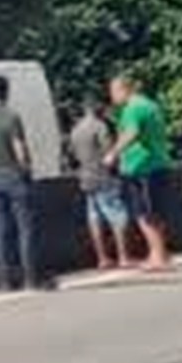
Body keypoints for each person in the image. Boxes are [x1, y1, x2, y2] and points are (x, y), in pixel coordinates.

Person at [0, 75, 44, 291]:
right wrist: (26, 168)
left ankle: (6, 280)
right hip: (13, 175)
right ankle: (31, 278)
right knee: (25, 228)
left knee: (0, 230)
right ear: (6, 92)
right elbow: (18, 147)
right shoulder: (11, 116)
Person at [105, 76, 173, 272]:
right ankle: (159, 253)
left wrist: (113, 153)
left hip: (141, 166)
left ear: (123, 90)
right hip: (159, 163)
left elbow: (132, 132)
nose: (112, 97)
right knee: (154, 212)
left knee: (144, 214)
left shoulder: (132, 108)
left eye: (113, 92)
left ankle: (158, 257)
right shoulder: (150, 105)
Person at [70, 96, 134, 270]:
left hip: (86, 178)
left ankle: (102, 258)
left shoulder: (76, 130)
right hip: (104, 176)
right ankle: (124, 257)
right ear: (96, 107)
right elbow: (109, 151)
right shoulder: (100, 126)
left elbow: (73, 156)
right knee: (118, 215)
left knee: (94, 218)